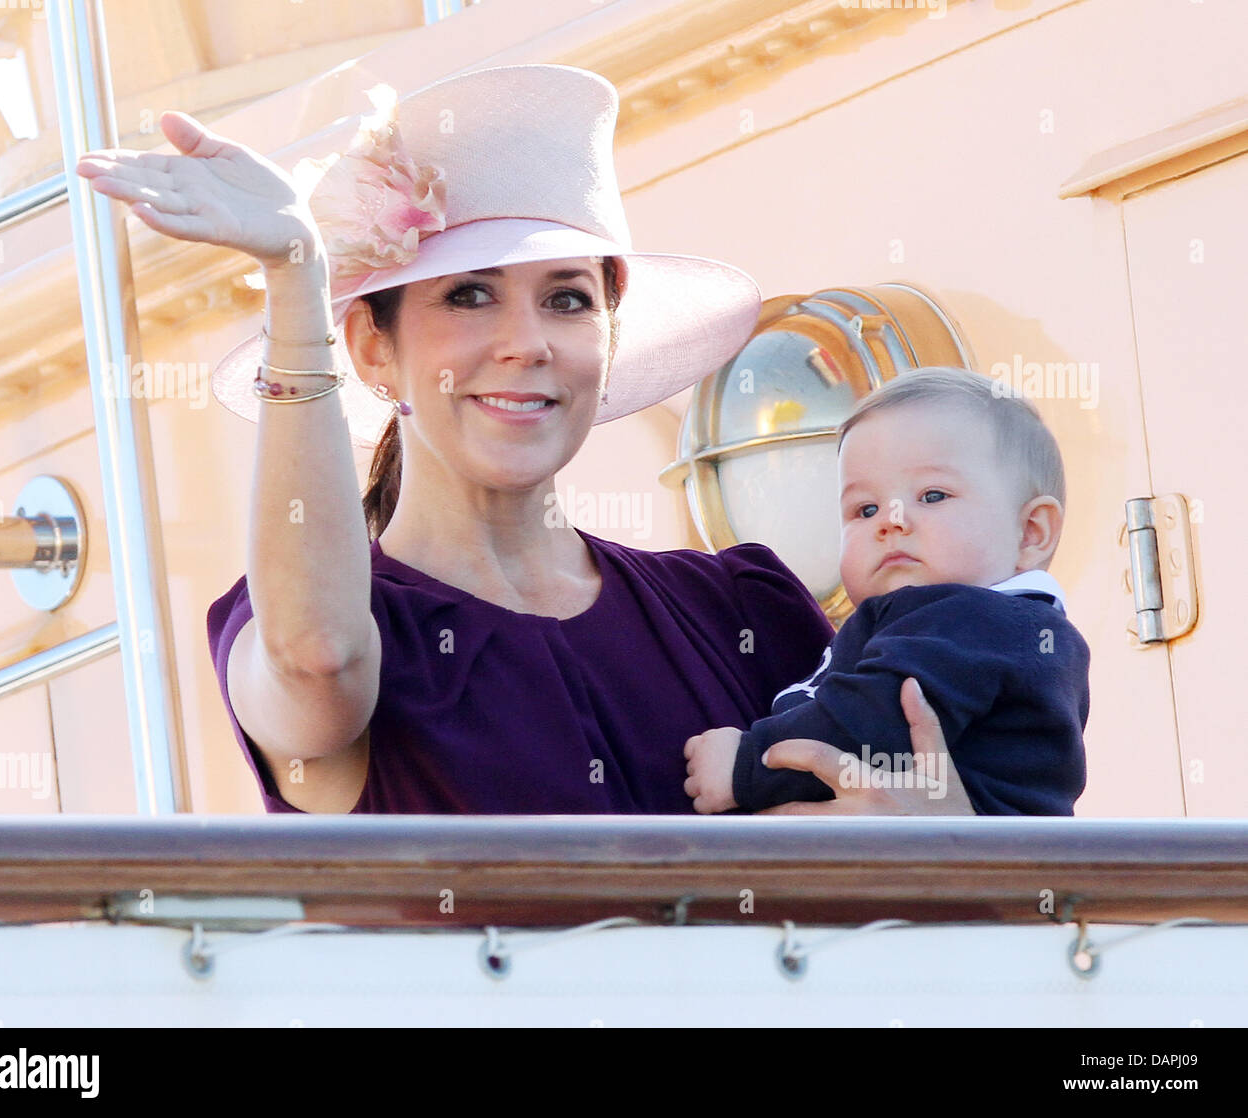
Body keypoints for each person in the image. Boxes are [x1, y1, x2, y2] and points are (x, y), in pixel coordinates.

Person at [77, 64, 968, 816]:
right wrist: (296, 281)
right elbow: (319, 659)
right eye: (468, 295)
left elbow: (931, 840)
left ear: (607, 341)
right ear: (369, 348)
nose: (527, 341)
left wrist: (955, 841)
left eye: (568, 298)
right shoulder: (324, 626)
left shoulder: (738, 609)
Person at [684, 367, 1090, 817]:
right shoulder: (977, 625)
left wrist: (745, 765)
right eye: (865, 508)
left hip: (961, 879)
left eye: (933, 495)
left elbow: (873, 723)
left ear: (1030, 532)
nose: (890, 519)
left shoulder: (979, 621)